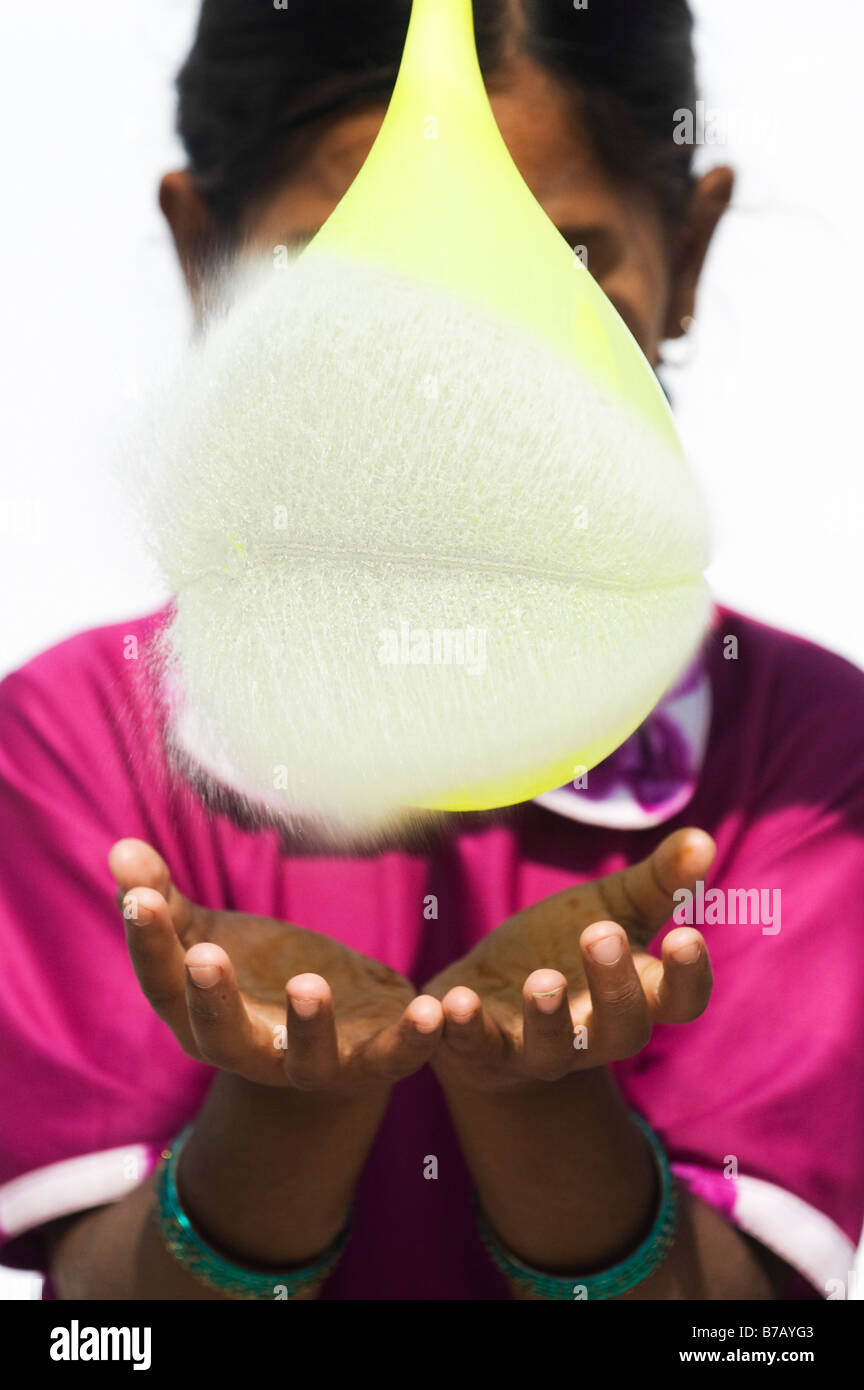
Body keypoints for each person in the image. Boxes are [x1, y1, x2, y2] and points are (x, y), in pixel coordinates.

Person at [1, 0, 862, 1301]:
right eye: (343, 276)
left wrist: (541, 1103)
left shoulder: (803, 751)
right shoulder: (82, 738)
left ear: (686, 254)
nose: (453, 369)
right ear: (201, 257)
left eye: (563, 260)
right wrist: (285, 1109)